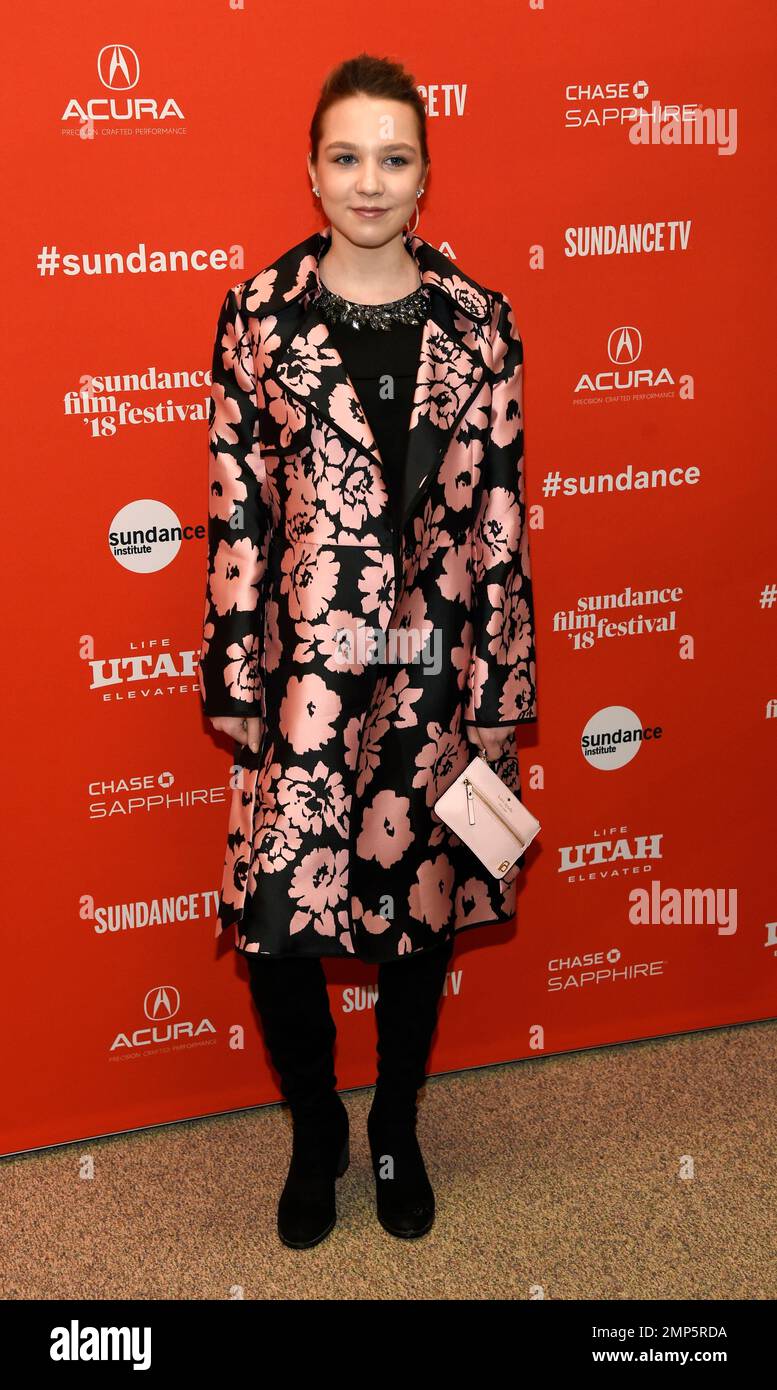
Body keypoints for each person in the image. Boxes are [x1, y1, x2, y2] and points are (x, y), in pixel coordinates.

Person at [198, 52, 537, 1249]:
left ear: (426, 173)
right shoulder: (256, 313)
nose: (370, 179)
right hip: (302, 666)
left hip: (435, 661)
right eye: (347, 156)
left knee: (417, 911)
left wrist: (501, 684)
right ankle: (315, 1127)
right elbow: (237, 503)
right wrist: (236, 668)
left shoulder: (480, 318)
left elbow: (499, 508)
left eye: (394, 156)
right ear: (311, 170)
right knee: (280, 916)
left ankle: (394, 1121)